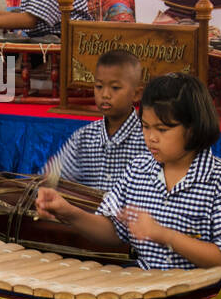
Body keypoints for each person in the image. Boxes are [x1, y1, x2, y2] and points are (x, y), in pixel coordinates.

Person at [37, 73, 221, 270]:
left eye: (162, 129)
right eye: (146, 126)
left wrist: (164, 235)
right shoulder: (139, 169)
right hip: (148, 289)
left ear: (193, 128)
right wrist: (69, 212)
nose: (151, 137)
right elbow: (113, 230)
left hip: (200, 298)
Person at [44, 49, 145, 192]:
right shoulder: (83, 137)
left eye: (115, 88)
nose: (105, 95)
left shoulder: (147, 139)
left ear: (136, 94)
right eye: (99, 86)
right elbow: (52, 179)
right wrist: (49, 182)